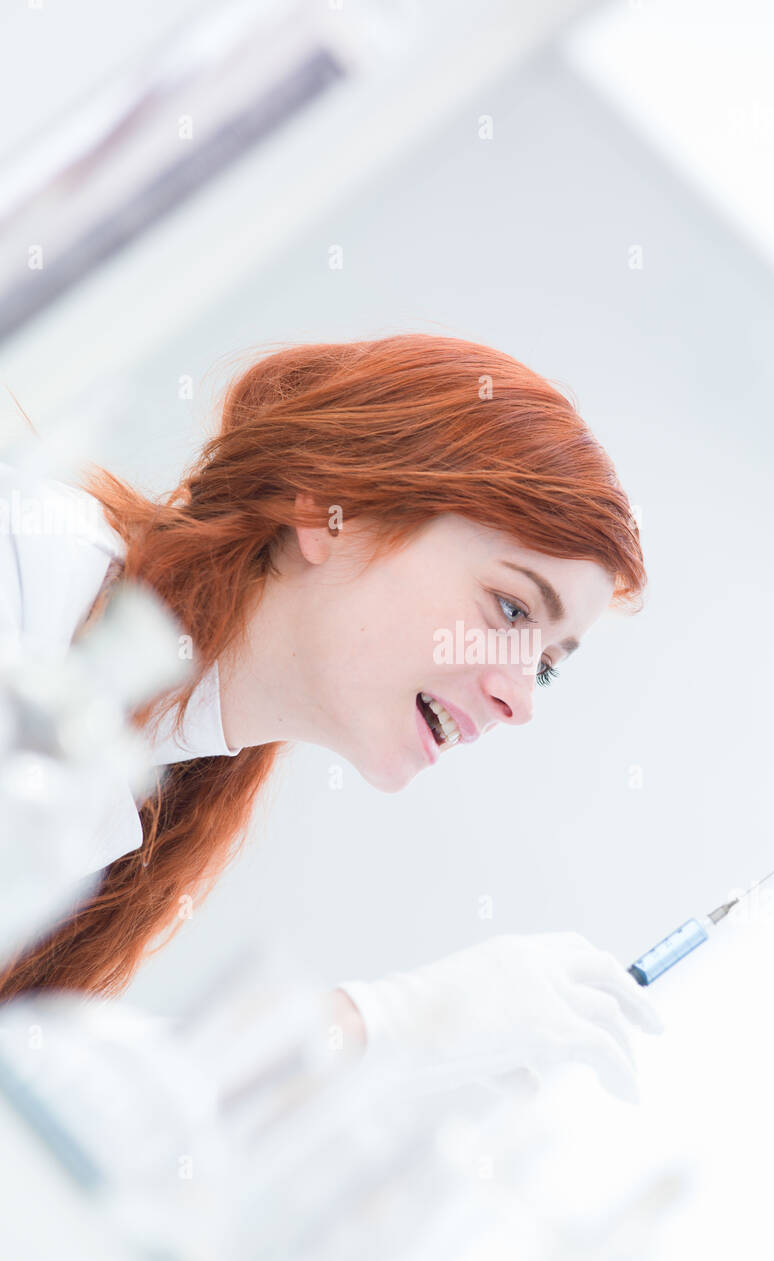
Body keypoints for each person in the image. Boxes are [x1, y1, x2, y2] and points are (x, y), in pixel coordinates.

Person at [0, 333, 662, 1101]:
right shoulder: (27, 581)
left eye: (545, 663)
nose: (521, 698)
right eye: (510, 608)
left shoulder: (169, 782)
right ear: (326, 508)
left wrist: (383, 1033)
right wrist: (378, 1023)